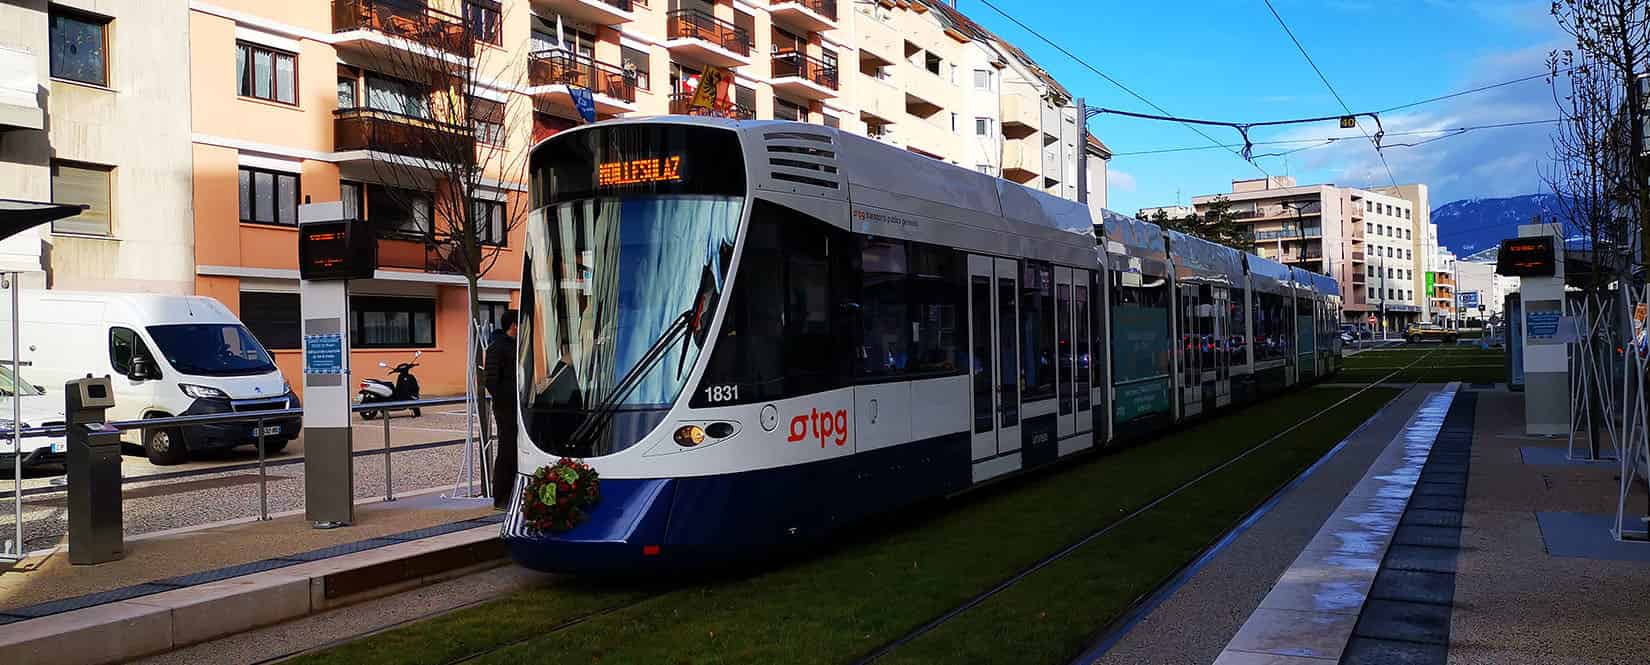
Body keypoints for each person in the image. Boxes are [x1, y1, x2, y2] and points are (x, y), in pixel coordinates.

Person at [484, 310, 518, 510]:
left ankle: (514, 492)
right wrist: (507, 398)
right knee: (507, 449)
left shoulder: (518, 345)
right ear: (513, 324)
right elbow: (491, 381)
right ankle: (501, 496)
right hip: (506, 407)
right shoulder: (497, 348)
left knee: (515, 450)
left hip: (517, 406)